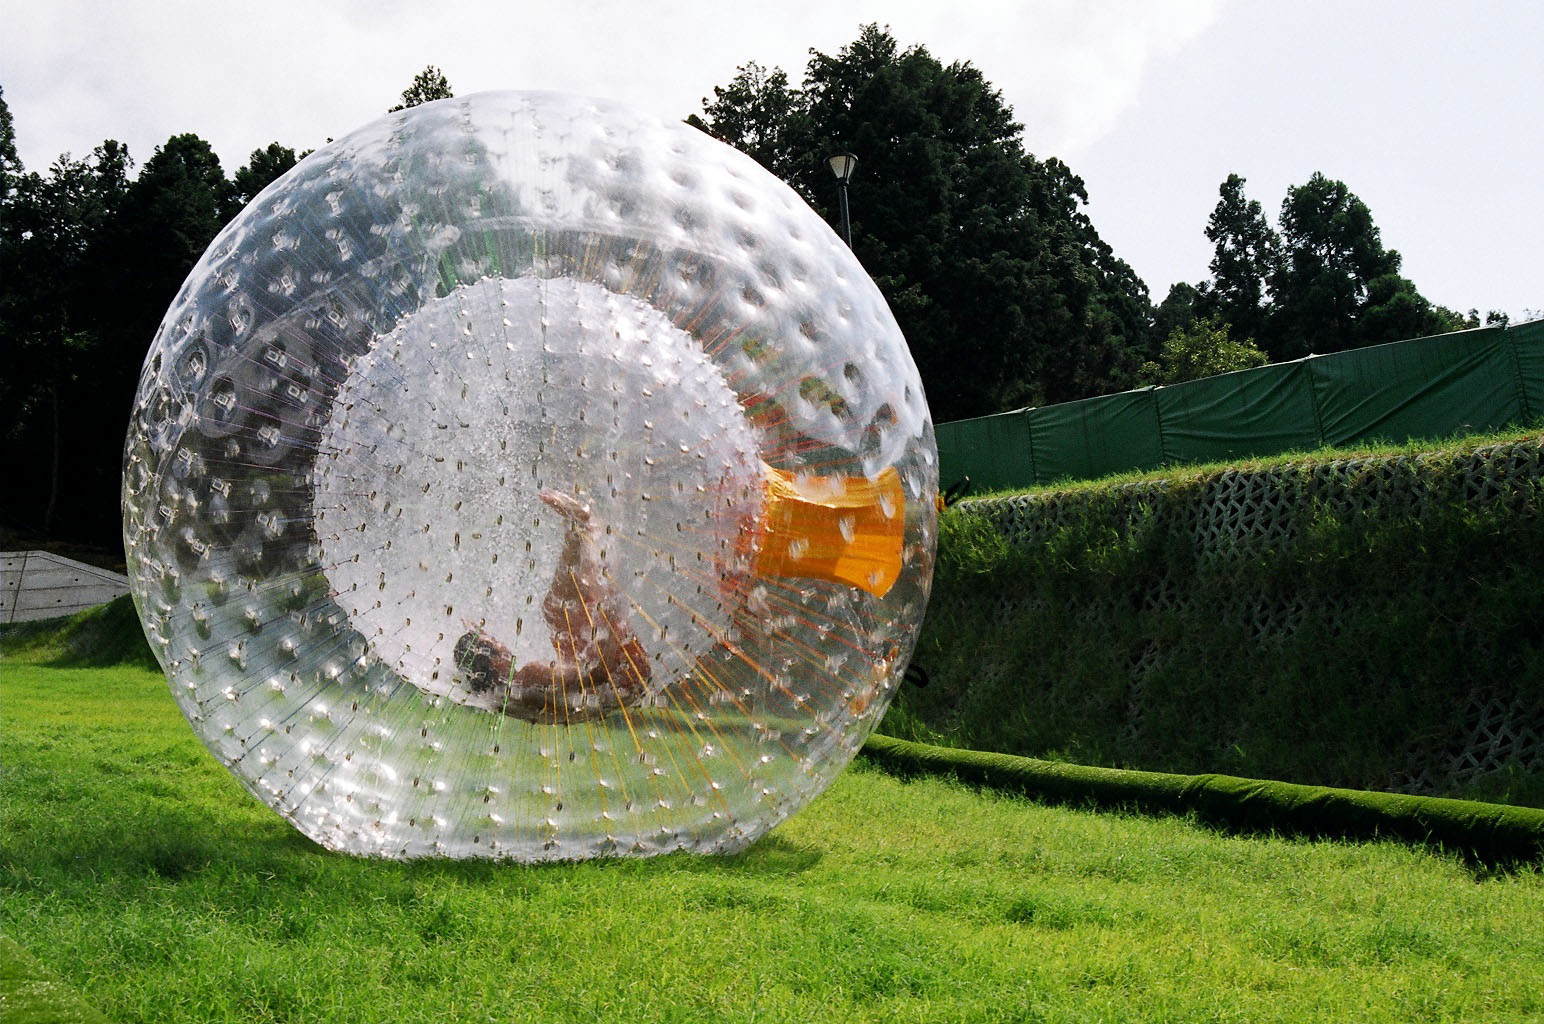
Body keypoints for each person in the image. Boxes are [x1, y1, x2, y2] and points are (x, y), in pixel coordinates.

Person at [454, 489, 651, 724]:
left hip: (624, 687)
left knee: (565, 608)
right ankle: (579, 528)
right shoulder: (529, 678)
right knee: (558, 608)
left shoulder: (508, 697)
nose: (500, 642)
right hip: (625, 674)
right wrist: (612, 617)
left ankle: (581, 533)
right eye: (493, 642)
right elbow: (598, 673)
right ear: (494, 660)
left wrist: (477, 641)